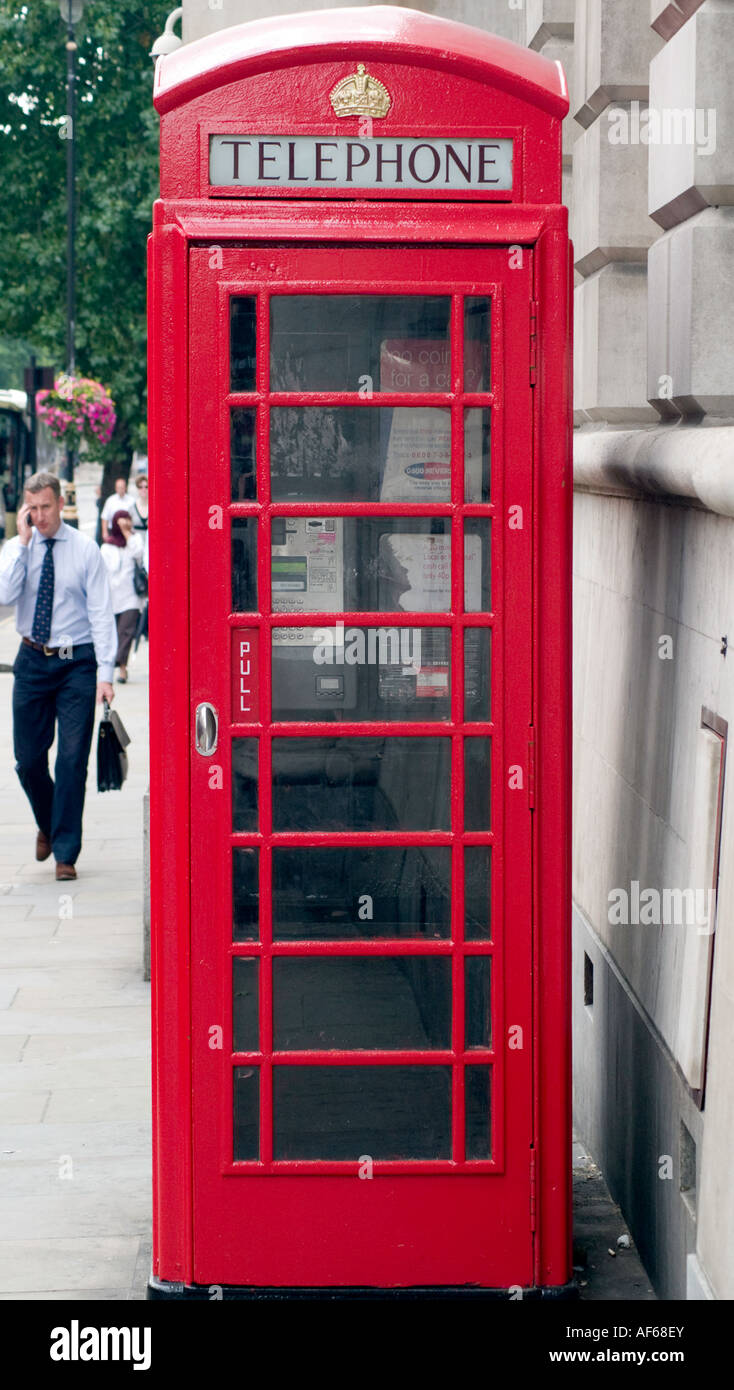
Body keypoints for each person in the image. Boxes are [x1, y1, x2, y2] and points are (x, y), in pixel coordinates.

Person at [0, 471, 117, 881]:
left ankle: (65, 852)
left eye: (45, 506)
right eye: (31, 509)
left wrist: (106, 674)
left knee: (70, 760)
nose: (40, 515)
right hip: (31, 661)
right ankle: (48, 822)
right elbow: (3, 595)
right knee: (28, 761)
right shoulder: (20, 549)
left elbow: (102, 614)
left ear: (60, 503)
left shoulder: (85, 550)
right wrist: (21, 542)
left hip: (76, 665)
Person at [100, 509, 144, 683]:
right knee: (114, 634)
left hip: (131, 596)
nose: (125, 522)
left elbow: (139, 554)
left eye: (128, 519)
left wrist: (127, 533)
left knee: (126, 632)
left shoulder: (135, 540)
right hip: (111, 597)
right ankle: (116, 666)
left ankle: (122, 668)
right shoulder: (107, 547)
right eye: (121, 520)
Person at [100, 475, 135, 541]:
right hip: (113, 532)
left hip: (127, 531)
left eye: (122, 487)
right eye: (119, 487)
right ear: (116, 488)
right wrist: (105, 533)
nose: (120, 490)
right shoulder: (110, 500)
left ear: (125, 488)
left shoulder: (132, 501)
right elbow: (104, 517)